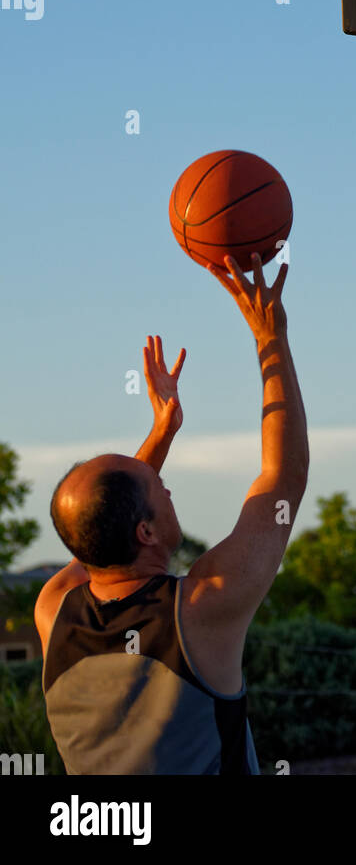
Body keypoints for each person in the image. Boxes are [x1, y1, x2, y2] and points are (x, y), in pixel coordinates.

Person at [35, 252, 308, 775]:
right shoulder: (203, 608)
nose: (164, 478)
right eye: (157, 484)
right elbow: (284, 479)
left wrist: (162, 432)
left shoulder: (53, 611)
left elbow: (94, 529)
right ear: (146, 531)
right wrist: (270, 339)